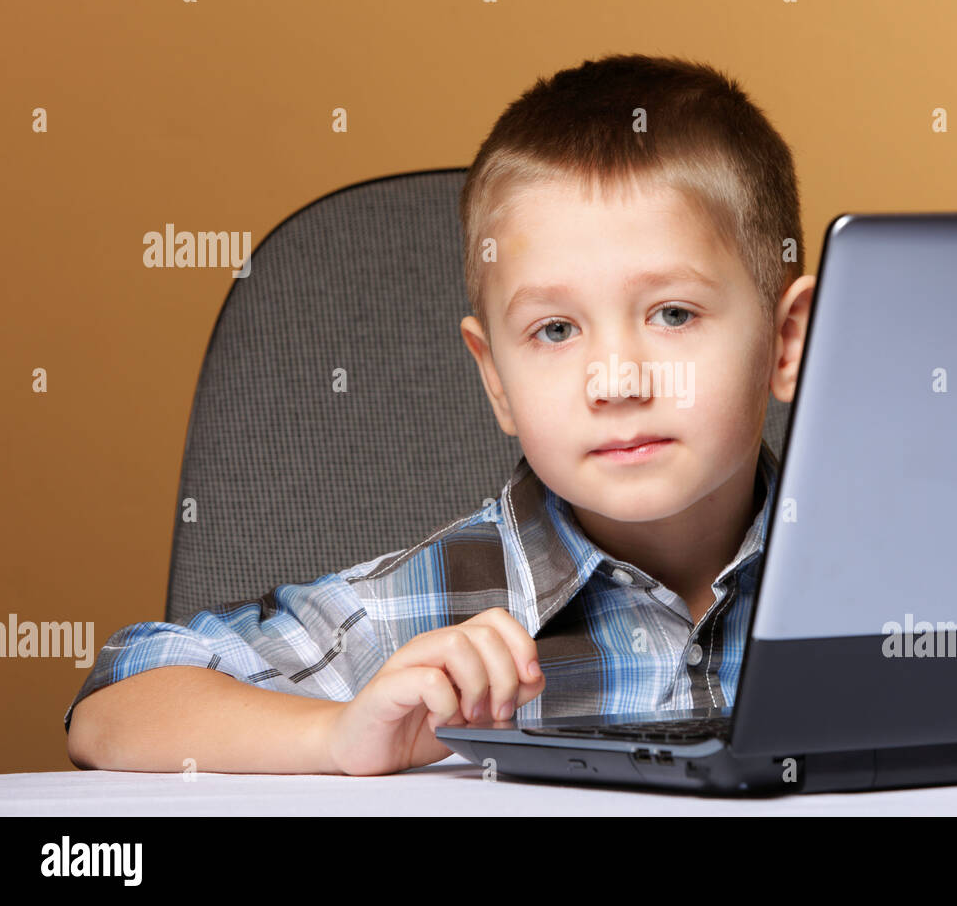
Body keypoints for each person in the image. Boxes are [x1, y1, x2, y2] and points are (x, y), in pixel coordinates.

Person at [65, 53, 816, 775]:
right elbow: (114, 704)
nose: (615, 381)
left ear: (785, 344)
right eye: (555, 330)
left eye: (673, 314)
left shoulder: (882, 585)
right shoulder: (430, 612)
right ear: (495, 379)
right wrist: (335, 735)